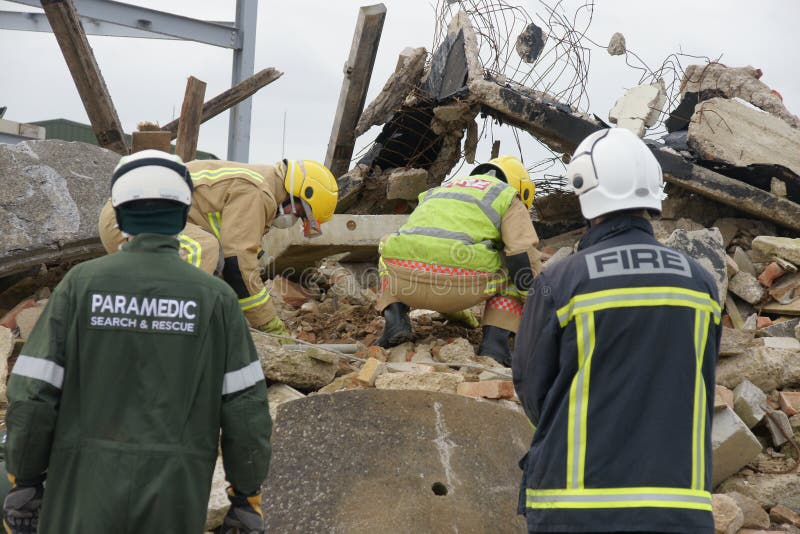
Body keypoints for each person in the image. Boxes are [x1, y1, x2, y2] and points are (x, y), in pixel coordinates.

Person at [4, 150, 272, 533]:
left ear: (120, 215)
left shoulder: (81, 286)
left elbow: (32, 393)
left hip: (81, 498)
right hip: (175, 499)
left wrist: (24, 482)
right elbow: (246, 410)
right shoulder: (216, 299)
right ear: (183, 215)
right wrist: (246, 499)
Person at [512, 128, 721, 533]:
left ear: (584, 189)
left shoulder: (563, 279)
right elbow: (702, 382)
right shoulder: (700, 282)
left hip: (575, 508)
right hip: (680, 509)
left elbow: (533, 387)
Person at [98, 157, 339, 338]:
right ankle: (173, 331)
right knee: (203, 249)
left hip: (136, 216)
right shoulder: (258, 192)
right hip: (129, 219)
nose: (293, 220)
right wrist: (270, 324)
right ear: (295, 193)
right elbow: (238, 265)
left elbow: (232, 266)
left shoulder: (262, 188)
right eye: (299, 212)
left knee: (215, 268)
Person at [375, 156, 543, 366]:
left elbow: (433, 251)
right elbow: (521, 254)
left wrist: (459, 314)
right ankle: (495, 346)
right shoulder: (507, 195)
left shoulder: (439, 191)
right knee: (514, 267)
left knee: (390, 250)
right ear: (521, 188)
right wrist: (534, 300)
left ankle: (396, 321)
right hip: (463, 284)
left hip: (404, 282)